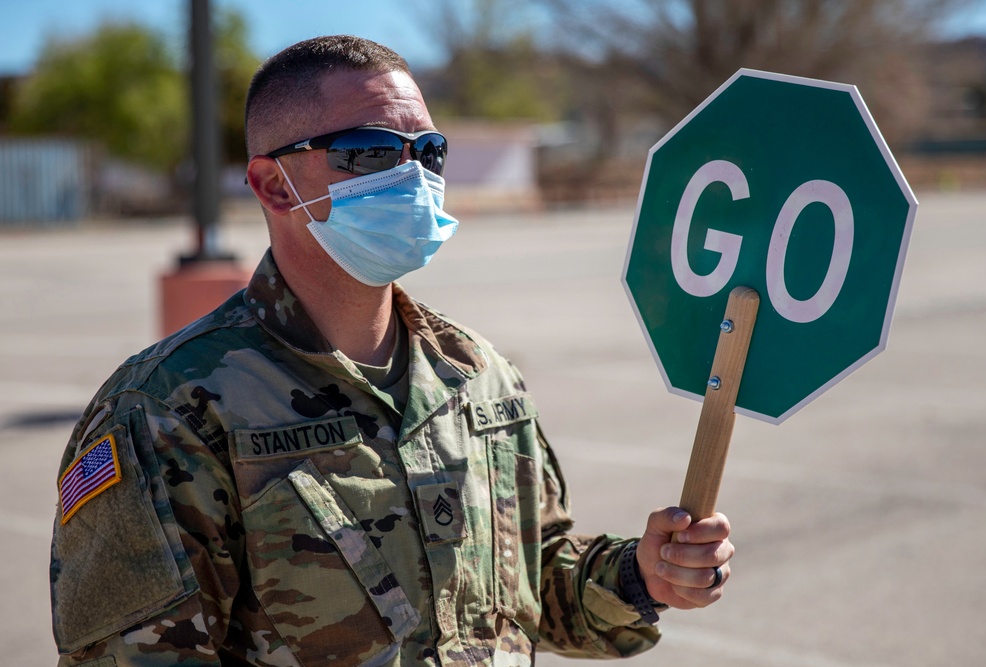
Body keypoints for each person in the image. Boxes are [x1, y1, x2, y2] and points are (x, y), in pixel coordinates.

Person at [49, 35, 734, 666]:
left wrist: (644, 576)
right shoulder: (169, 408)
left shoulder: (480, 376)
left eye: (427, 152)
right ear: (271, 183)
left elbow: (536, 585)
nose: (411, 178)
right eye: (369, 152)